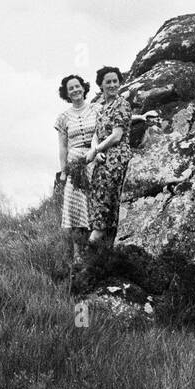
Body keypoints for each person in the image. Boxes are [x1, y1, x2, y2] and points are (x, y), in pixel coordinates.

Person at [84, 65, 132, 252]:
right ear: (101, 85)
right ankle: (97, 251)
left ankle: (94, 248)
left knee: (106, 205)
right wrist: (97, 150)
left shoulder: (122, 104)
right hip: (103, 160)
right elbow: (97, 133)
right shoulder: (103, 108)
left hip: (116, 159)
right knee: (99, 201)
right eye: (108, 82)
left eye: (115, 81)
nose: (113, 85)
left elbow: (117, 135)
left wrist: (95, 151)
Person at [54, 74, 96, 260]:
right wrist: (63, 171)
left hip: (94, 158)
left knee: (94, 204)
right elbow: (63, 147)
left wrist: (140, 116)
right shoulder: (63, 117)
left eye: (78, 86)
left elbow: (117, 121)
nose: (75, 90)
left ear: (83, 88)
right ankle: (78, 255)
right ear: (67, 93)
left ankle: (94, 251)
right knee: (75, 207)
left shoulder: (96, 109)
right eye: (71, 88)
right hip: (74, 163)